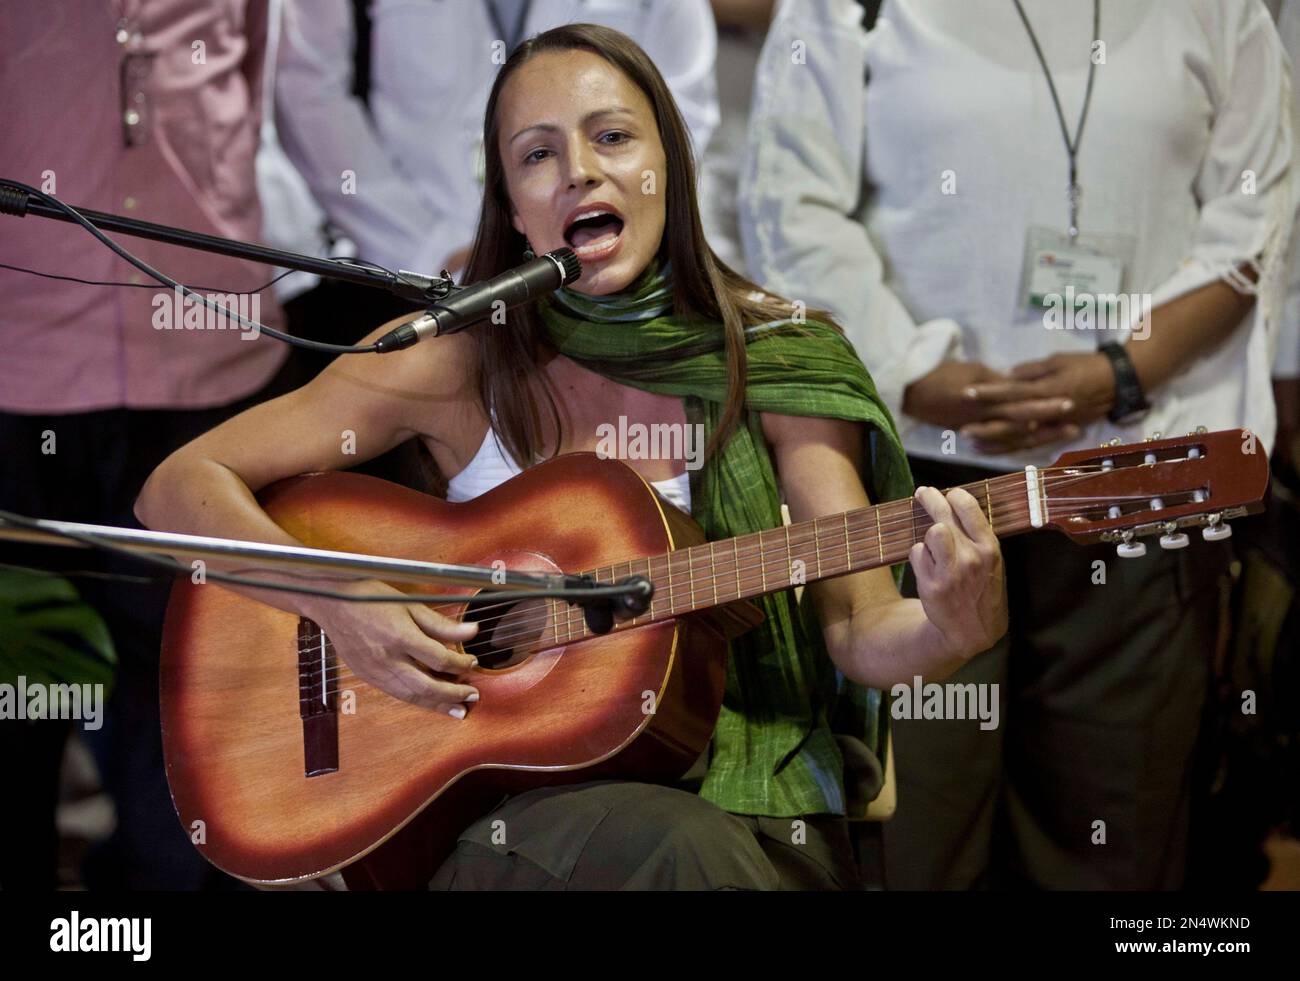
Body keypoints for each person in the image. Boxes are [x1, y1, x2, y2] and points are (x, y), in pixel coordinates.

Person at [135, 23, 1009, 890]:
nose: (581, 170)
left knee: (699, 848)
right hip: (506, 817)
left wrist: (950, 627)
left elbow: (860, 627)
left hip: (745, 792)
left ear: (667, 162)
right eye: (538, 155)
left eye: (613, 137)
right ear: (513, 208)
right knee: (679, 849)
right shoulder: (453, 358)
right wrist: (342, 600)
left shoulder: (777, 359)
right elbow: (178, 488)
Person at [739, 0, 1294, 888]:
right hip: (911, 470)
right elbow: (791, 197)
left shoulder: (1218, 11)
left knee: (1112, 828)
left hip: (1146, 469)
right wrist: (913, 369)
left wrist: (1123, 366)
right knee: (915, 825)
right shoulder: (847, 9)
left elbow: (1258, 207)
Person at [0, 0, 297, 889]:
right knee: (19, 701)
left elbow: (254, 75)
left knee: (196, 718)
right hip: (22, 374)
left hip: (209, 362)